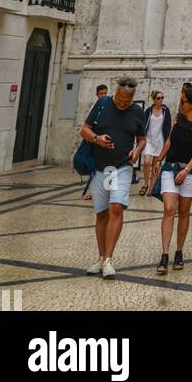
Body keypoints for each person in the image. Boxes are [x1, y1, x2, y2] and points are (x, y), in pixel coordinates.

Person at [79, 74, 146, 278]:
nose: (122, 104)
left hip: (122, 167)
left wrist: (137, 151)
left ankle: (108, 259)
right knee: (101, 214)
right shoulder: (102, 104)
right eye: (119, 99)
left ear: (132, 98)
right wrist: (97, 139)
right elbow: (84, 130)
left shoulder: (137, 112)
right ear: (115, 93)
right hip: (100, 168)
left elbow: (142, 139)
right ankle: (100, 257)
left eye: (126, 101)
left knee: (116, 207)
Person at [154, 86, 192, 274]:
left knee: (184, 212)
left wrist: (186, 170)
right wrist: (159, 159)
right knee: (169, 208)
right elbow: (169, 141)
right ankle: (164, 255)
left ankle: (179, 252)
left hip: (191, 172)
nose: (180, 103)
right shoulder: (177, 118)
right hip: (170, 168)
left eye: (183, 101)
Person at [140, 91, 171, 196]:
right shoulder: (148, 111)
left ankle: (152, 187)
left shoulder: (166, 111)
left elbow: (168, 126)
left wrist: (167, 140)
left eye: (162, 97)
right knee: (147, 162)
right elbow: (143, 125)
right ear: (153, 99)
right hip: (149, 139)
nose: (161, 100)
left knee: (156, 165)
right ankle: (145, 184)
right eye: (158, 98)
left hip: (160, 140)